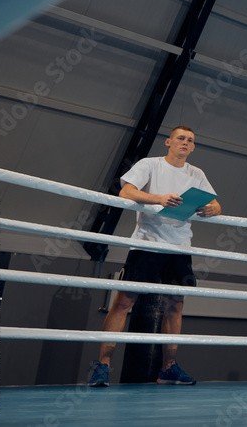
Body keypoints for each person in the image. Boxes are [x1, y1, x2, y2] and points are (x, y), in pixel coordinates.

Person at [87, 125, 222, 387]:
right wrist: (158, 198)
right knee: (124, 302)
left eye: (190, 140)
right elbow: (126, 192)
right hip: (147, 244)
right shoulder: (150, 164)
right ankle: (102, 365)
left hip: (180, 248)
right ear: (168, 142)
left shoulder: (197, 174)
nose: (185, 142)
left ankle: (169, 367)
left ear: (193, 147)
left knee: (175, 305)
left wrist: (211, 209)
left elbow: (216, 204)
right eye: (180, 138)